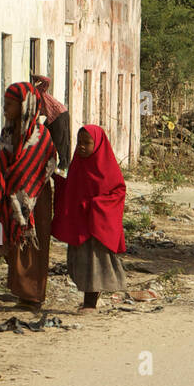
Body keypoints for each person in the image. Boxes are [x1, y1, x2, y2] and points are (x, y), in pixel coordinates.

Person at [0, 82, 58, 309]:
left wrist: (18, 186)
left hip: (34, 201)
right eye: (5, 104)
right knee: (15, 245)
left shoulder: (42, 136)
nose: (5, 109)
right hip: (11, 199)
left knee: (32, 245)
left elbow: (39, 167)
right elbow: (4, 160)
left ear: (25, 106)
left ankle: (33, 296)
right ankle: (20, 291)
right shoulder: (9, 133)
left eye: (9, 104)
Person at [52, 125, 127, 313]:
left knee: (95, 263)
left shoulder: (106, 167)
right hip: (80, 225)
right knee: (81, 262)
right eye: (79, 143)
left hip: (97, 227)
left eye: (87, 143)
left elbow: (118, 192)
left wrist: (95, 205)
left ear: (98, 143)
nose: (82, 147)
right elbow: (71, 189)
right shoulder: (77, 164)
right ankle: (90, 300)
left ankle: (90, 303)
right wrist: (57, 180)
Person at [31, 74, 70, 175]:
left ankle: (63, 166)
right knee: (44, 137)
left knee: (60, 140)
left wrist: (35, 77)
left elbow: (47, 80)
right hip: (52, 118)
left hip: (58, 114)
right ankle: (47, 163)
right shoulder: (30, 103)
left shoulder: (37, 91)